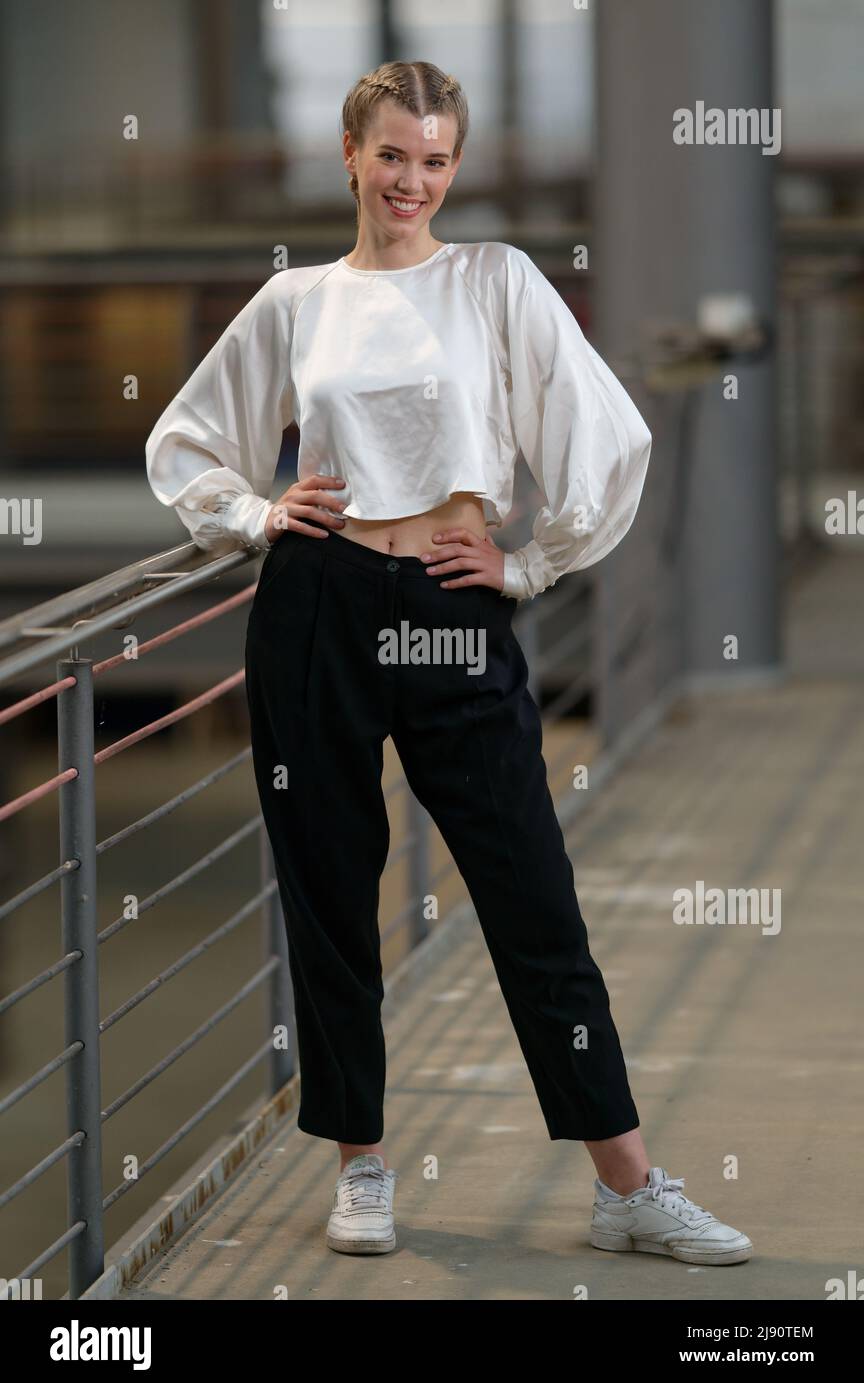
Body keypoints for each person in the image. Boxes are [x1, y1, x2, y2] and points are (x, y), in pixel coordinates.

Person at [145, 60, 752, 1266]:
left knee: (529, 887)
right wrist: (258, 515)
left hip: (450, 601)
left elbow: (606, 432)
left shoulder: (496, 282)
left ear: (453, 168)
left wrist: (530, 566)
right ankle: (361, 1165)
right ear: (351, 157)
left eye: (435, 160)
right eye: (392, 156)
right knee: (330, 894)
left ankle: (626, 1183)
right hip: (315, 602)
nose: (412, 180)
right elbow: (188, 438)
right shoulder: (296, 301)